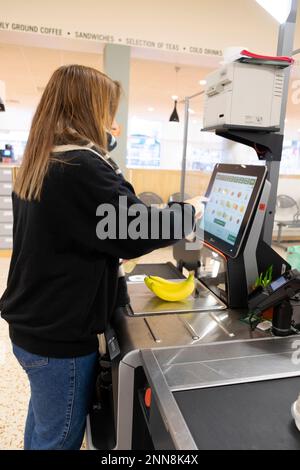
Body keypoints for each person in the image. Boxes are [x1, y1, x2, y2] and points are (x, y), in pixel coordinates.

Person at [0, 64, 201, 450]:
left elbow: (85, 227)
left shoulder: (45, 160)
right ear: (91, 110)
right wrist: (191, 210)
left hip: (33, 325)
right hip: (58, 336)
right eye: (108, 111)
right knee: (57, 439)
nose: (112, 122)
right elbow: (134, 228)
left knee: (43, 427)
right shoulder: (81, 166)